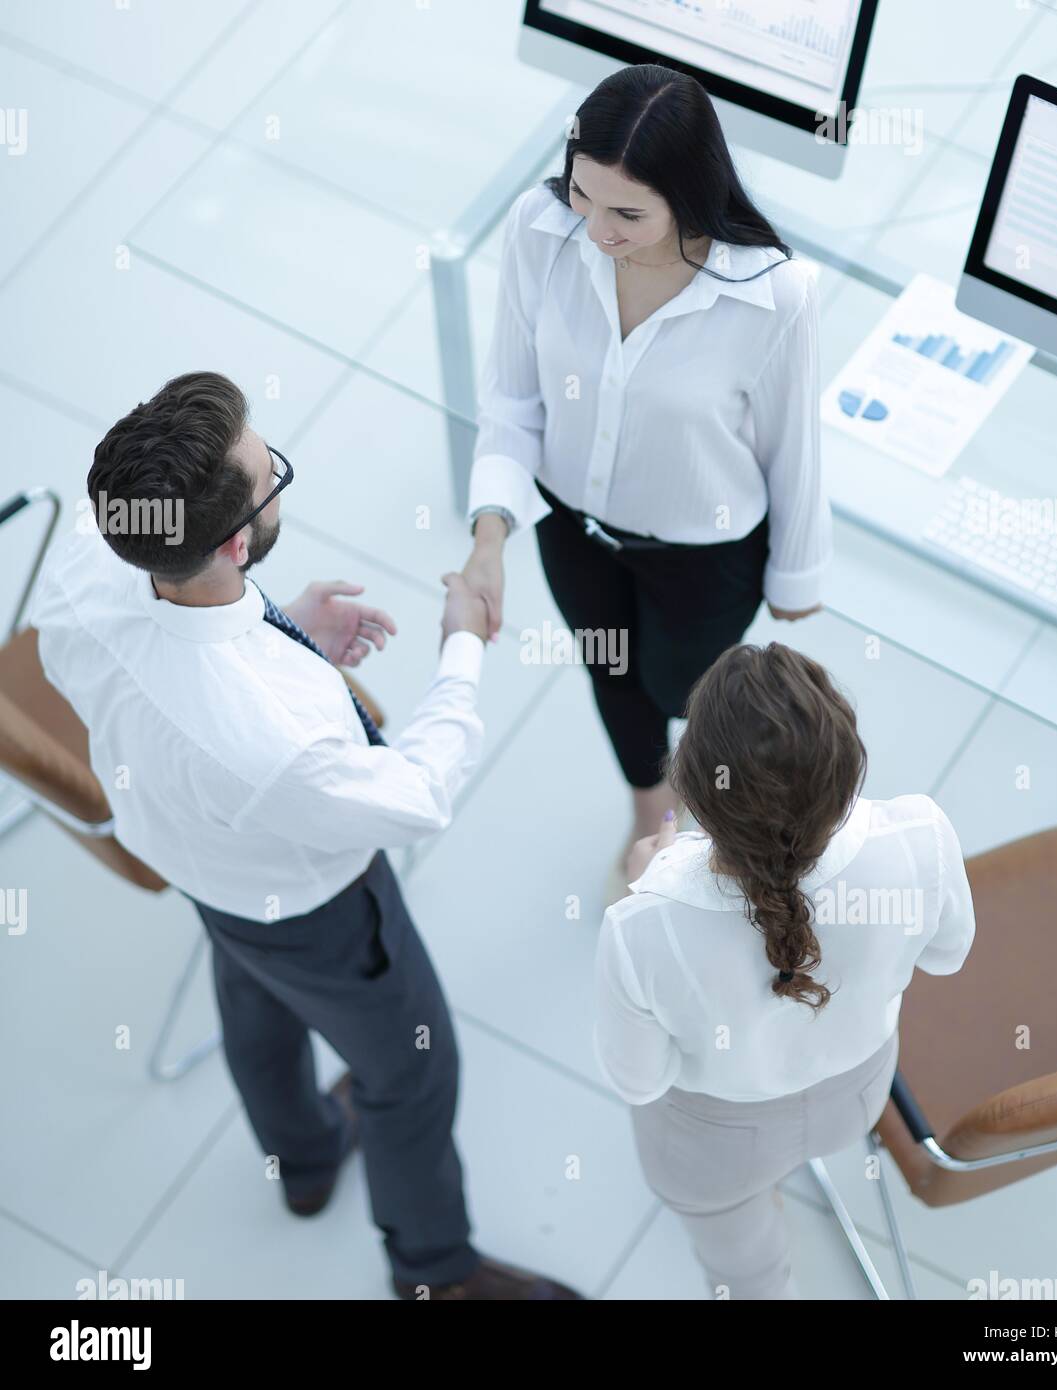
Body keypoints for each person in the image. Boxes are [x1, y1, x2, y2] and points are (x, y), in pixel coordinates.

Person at [31, 371, 581, 1301]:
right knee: (414, 1074)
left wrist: (282, 631)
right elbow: (414, 795)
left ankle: (306, 1161)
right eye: (268, 473)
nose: (275, 472)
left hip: (206, 870)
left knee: (255, 1007)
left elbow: (179, 656)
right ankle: (434, 1272)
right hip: (318, 909)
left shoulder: (87, 559)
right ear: (238, 540)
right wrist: (463, 647)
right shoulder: (280, 740)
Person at [462, 64, 831, 897]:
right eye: (584, 197)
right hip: (573, 525)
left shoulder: (774, 295)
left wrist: (797, 572)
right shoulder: (540, 229)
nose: (597, 229)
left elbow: (793, 444)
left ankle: (713, 813)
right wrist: (491, 538)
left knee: (686, 694)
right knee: (611, 674)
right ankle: (650, 813)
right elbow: (512, 400)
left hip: (704, 552)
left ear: (690, 199)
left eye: (628, 212)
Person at [593, 642, 976, 1299]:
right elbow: (946, 956)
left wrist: (648, 886)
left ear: (690, 787)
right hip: (854, 1097)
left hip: (713, 1146)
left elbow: (640, 1078)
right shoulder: (921, 836)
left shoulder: (641, 927)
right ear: (848, 759)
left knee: (749, 1277)